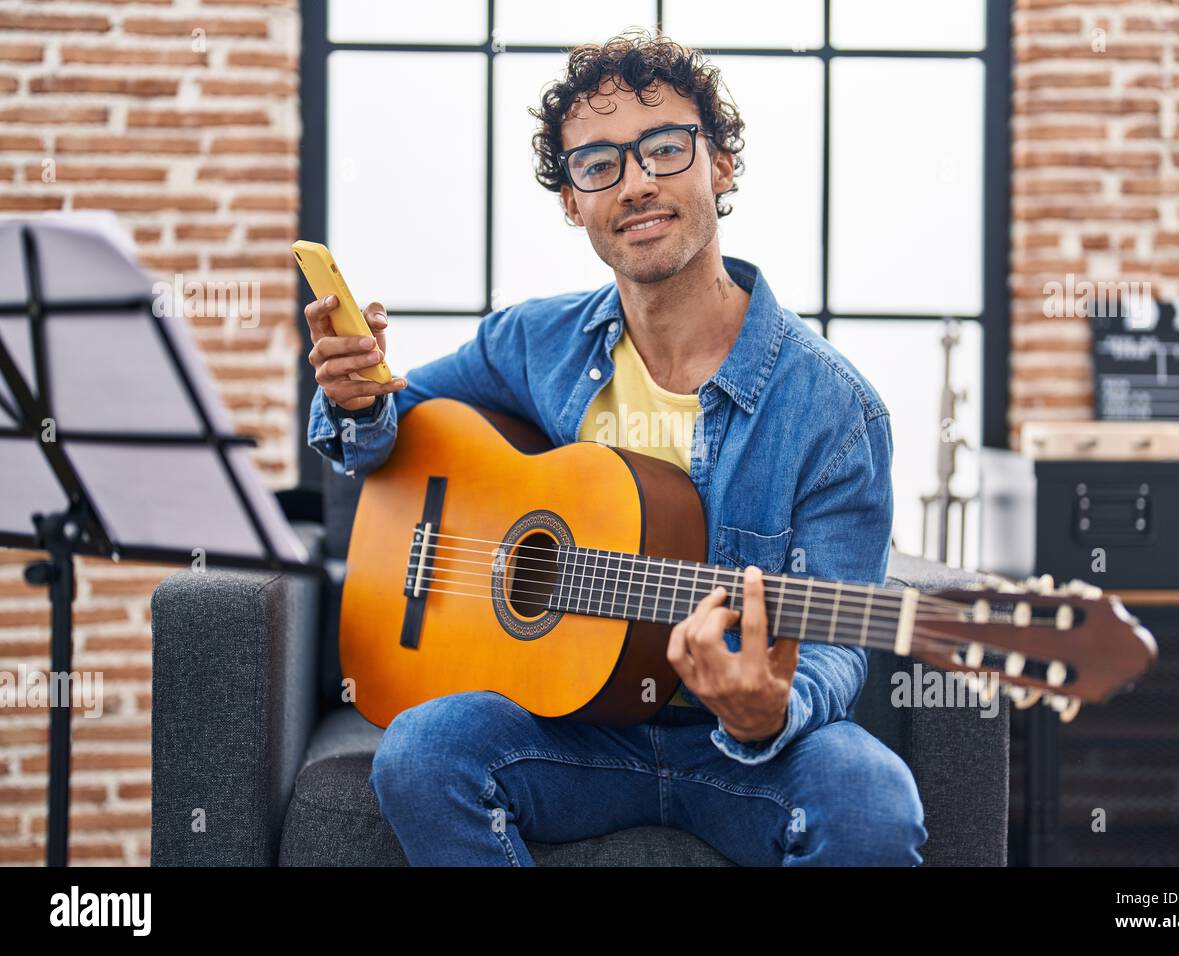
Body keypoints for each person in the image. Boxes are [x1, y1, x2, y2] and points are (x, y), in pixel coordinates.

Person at [304, 29, 926, 866]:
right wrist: (354, 399)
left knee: (872, 798)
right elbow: (394, 421)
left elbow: (836, 641)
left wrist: (767, 708)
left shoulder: (836, 412)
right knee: (420, 751)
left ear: (722, 165)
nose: (636, 184)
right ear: (572, 201)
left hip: (746, 751)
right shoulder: (533, 344)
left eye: (666, 149)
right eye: (599, 164)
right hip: (573, 731)